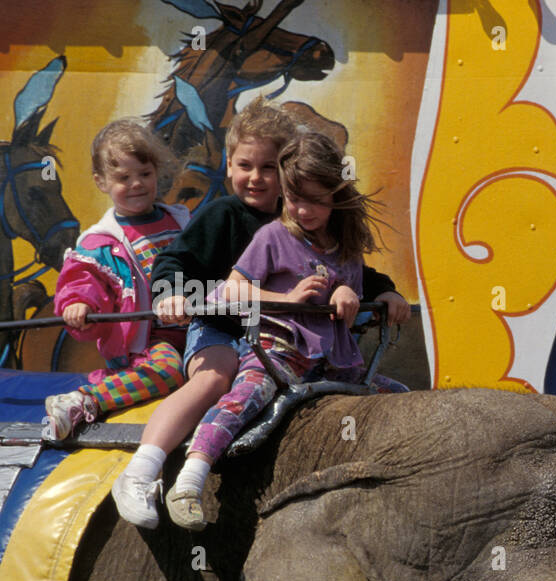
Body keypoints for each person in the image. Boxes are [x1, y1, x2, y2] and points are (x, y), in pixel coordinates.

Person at [110, 97, 411, 529]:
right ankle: (141, 471)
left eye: (268, 168)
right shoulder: (222, 216)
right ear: (229, 165)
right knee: (217, 377)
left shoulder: (300, 221)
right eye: (245, 165)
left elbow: (351, 268)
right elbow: (174, 263)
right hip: (222, 330)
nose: (255, 178)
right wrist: (171, 295)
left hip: (281, 341)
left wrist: (383, 292)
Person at [44, 120, 190, 440]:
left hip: (196, 329)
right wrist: (78, 303)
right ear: (101, 182)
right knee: (168, 371)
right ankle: (84, 400)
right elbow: (83, 280)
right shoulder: (100, 242)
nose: (137, 183)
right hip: (151, 340)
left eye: (145, 174)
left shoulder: (181, 221)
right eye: (124, 178)